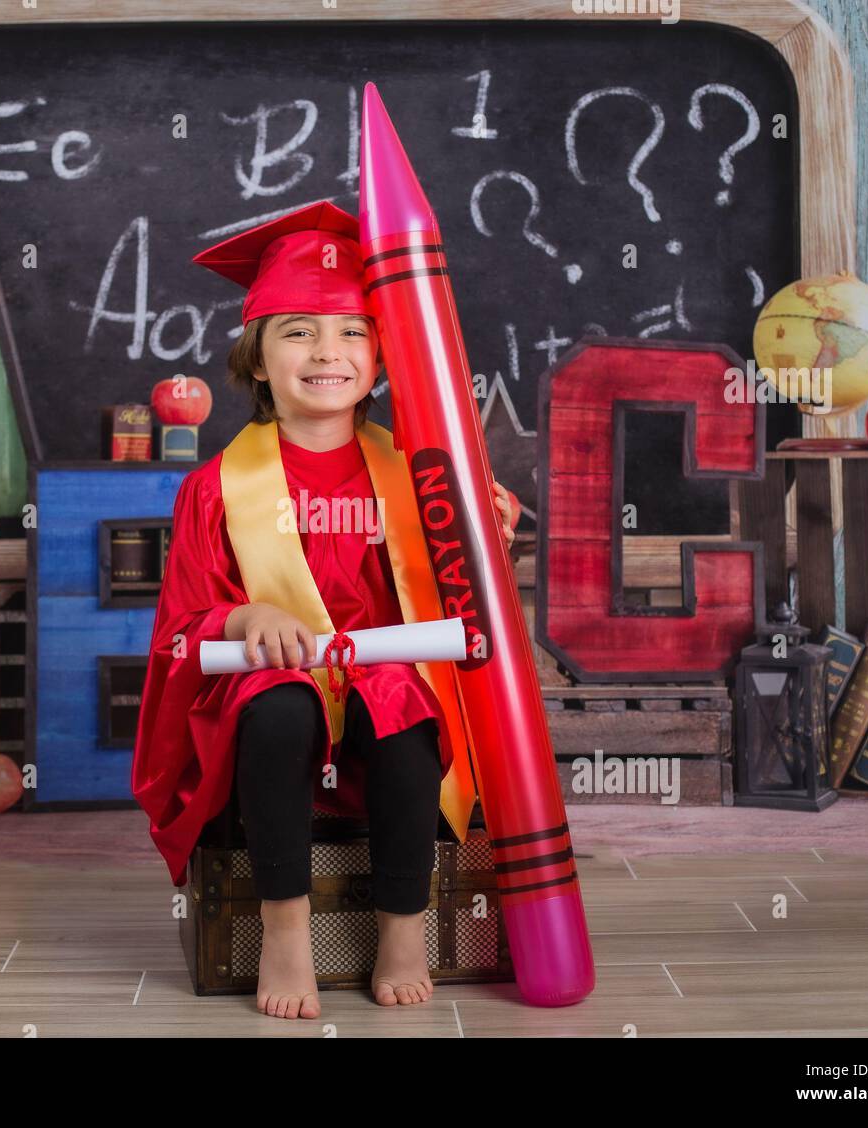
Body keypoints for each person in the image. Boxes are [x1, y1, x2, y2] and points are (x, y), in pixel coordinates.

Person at [132, 200, 517, 1020]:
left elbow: (465, 609)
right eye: (297, 331)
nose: (326, 352)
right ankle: (284, 929)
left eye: (351, 333)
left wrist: (488, 540)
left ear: (380, 358)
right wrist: (243, 622)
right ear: (259, 361)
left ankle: (404, 928)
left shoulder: (420, 478)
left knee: (408, 727)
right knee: (275, 714)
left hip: (388, 677)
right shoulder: (214, 489)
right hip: (274, 681)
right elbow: (180, 631)